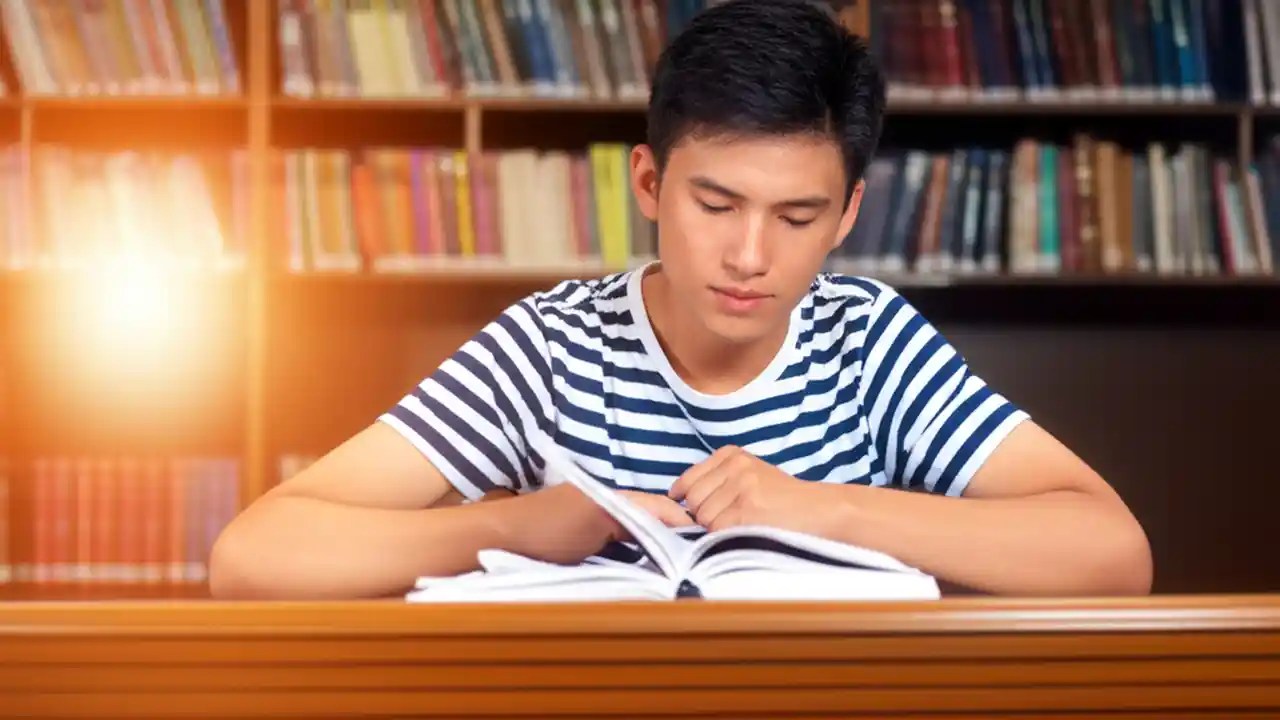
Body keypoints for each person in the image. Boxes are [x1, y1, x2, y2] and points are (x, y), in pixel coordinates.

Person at [210, 0, 1152, 600]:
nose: (749, 256)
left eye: (797, 216)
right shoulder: (551, 347)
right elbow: (255, 556)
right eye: (715, 203)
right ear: (651, 183)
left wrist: (828, 510)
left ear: (847, 215)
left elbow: (1110, 553)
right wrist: (512, 527)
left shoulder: (867, 343)